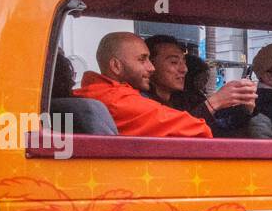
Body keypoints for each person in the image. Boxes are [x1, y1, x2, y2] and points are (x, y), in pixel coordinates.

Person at [73, 32, 217, 138]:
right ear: (116, 66)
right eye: (142, 60)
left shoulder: (90, 92)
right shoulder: (118, 101)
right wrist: (213, 104)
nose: (151, 68)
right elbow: (200, 129)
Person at [144, 34, 257, 126]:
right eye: (174, 62)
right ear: (150, 65)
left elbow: (219, 126)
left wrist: (245, 109)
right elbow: (173, 133)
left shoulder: (185, 100)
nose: (184, 69)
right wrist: (214, 102)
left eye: (184, 62)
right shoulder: (142, 103)